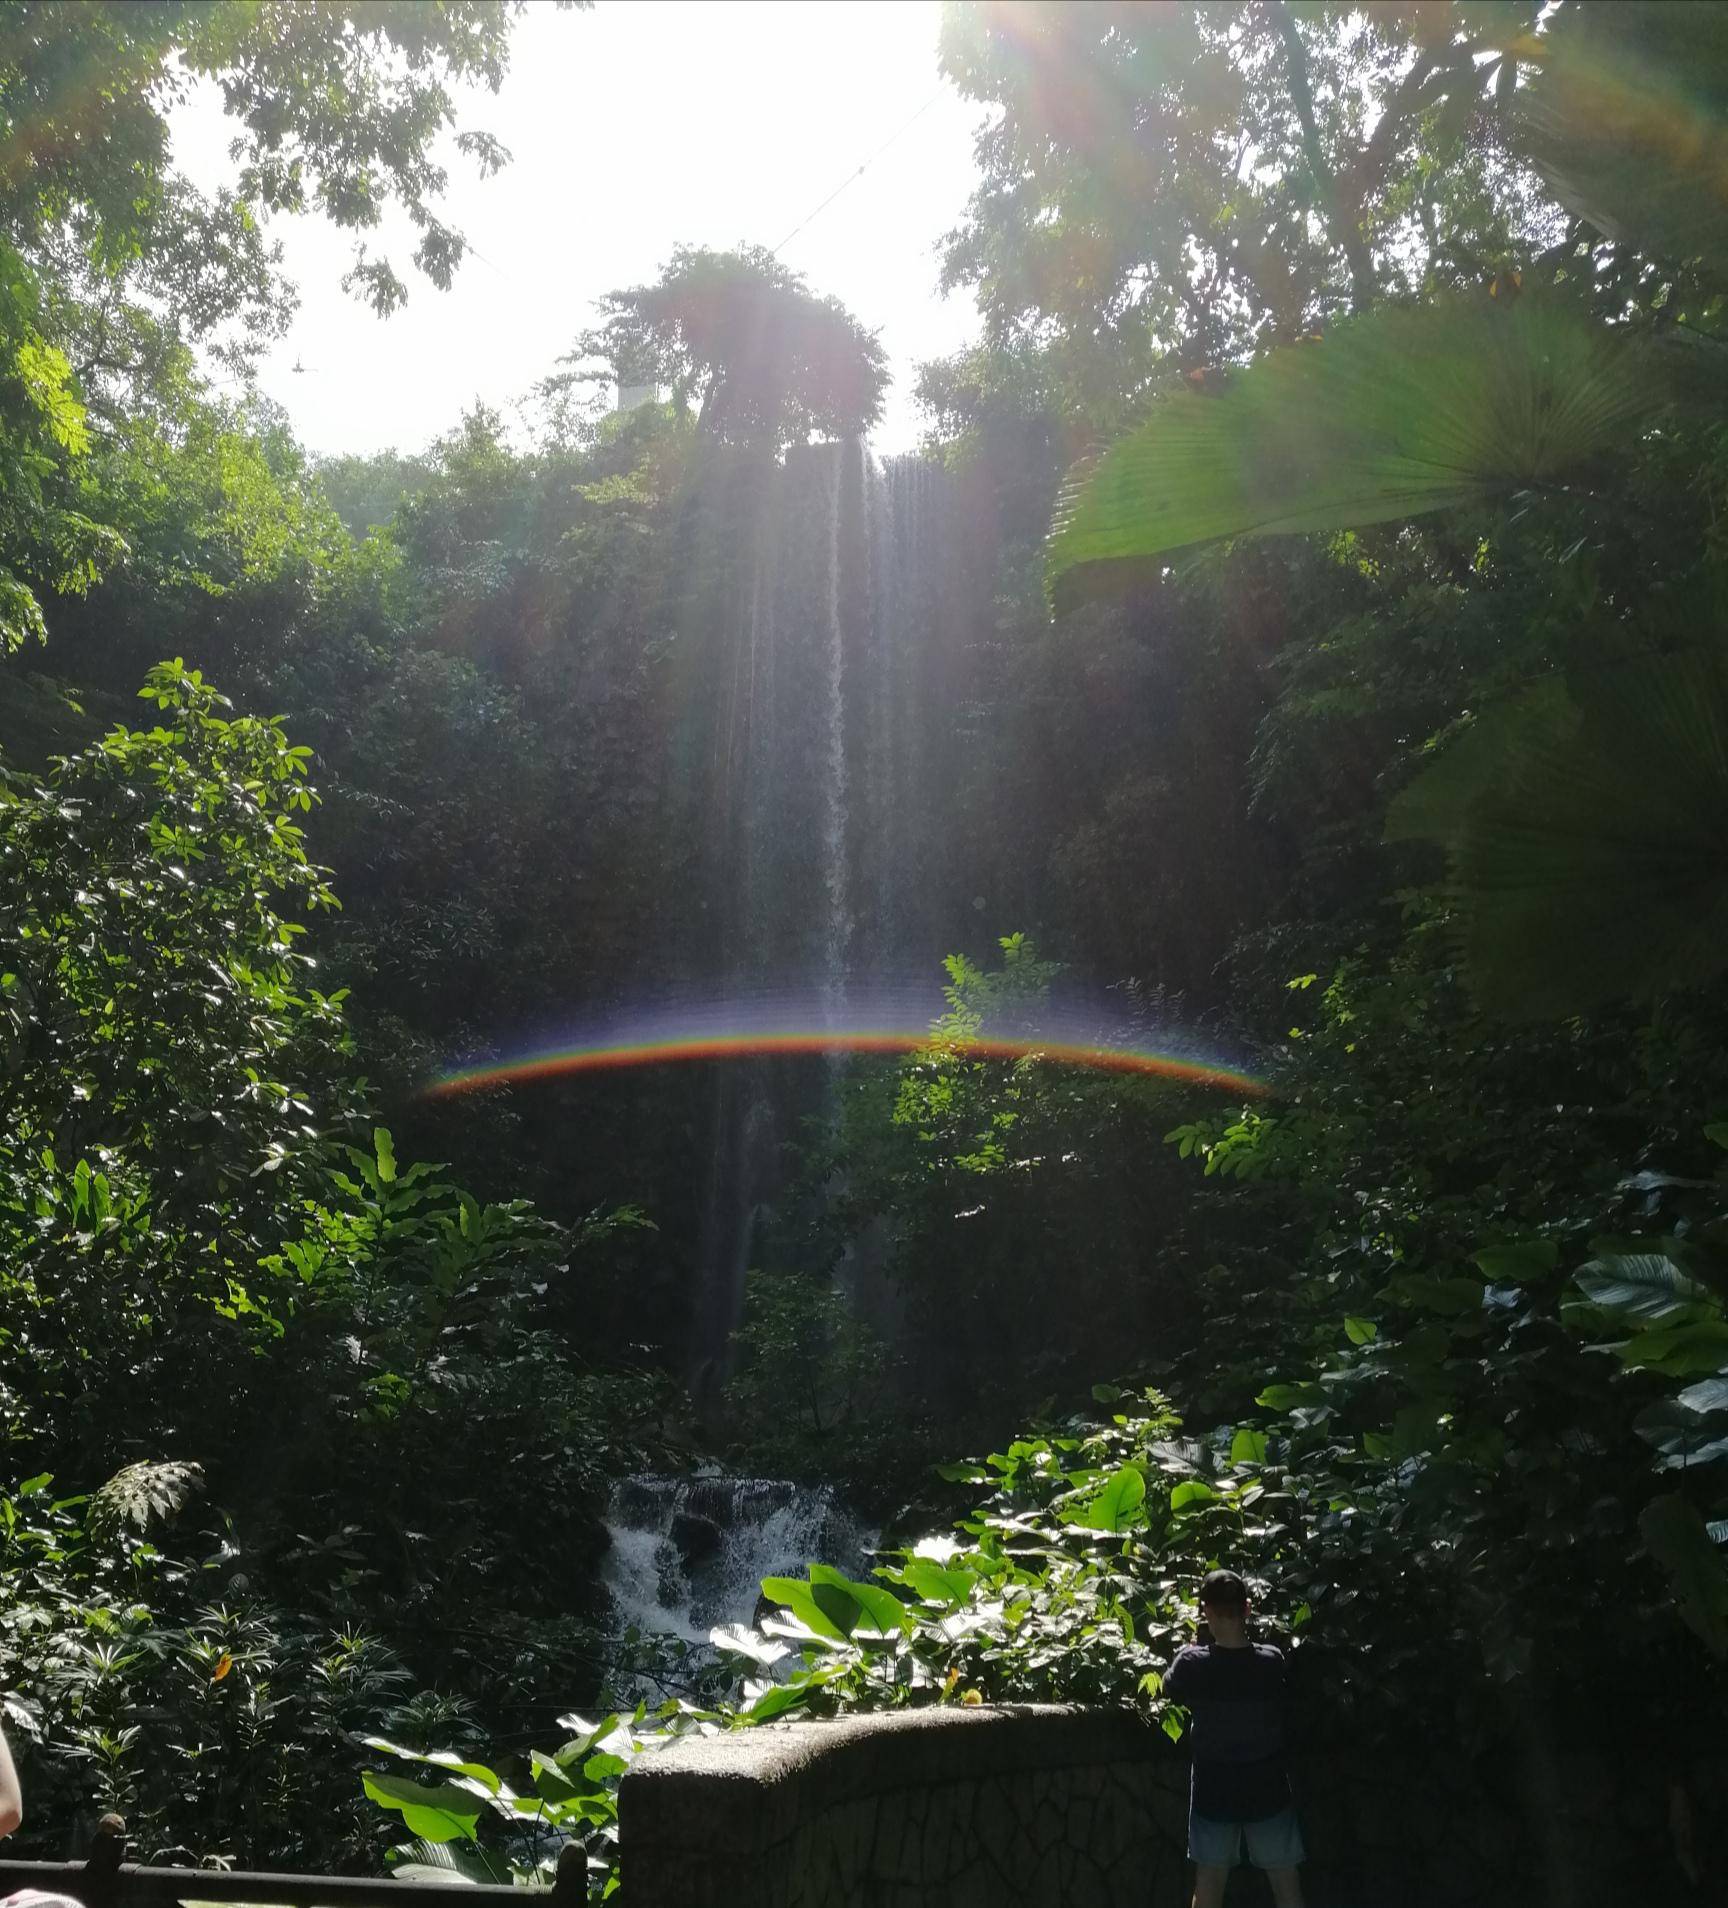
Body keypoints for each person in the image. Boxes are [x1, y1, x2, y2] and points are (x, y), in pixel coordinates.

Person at [1163, 1568, 1304, 1908]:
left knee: (1209, 1886)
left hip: (1214, 1790)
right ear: (1247, 1609)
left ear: (1205, 1611)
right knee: (1286, 1886)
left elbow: (1170, 1688)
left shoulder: (1191, 1664)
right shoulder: (1271, 1661)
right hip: (1267, 1788)